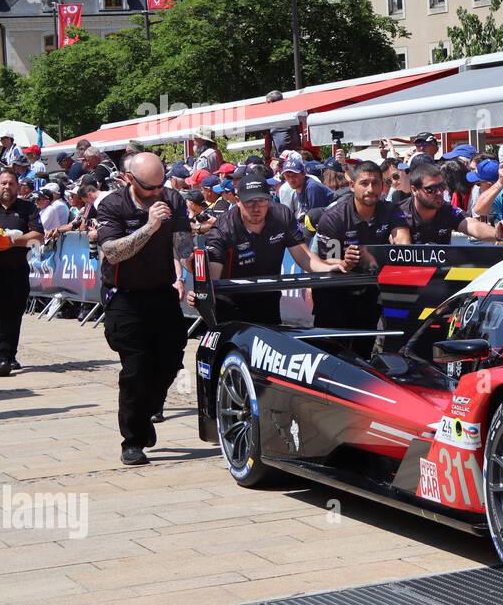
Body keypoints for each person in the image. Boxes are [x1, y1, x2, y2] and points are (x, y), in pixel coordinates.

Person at [96, 153, 193, 466]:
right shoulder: (113, 205)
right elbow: (112, 253)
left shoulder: (174, 200)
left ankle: (149, 409)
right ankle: (133, 440)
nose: (156, 193)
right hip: (124, 296)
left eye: (160, 186)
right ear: (129, 180)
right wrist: (150, 226)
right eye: (149, 188)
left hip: (162, 292)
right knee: (136, 369)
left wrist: (185, 273)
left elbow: (183, 244)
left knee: (170, 358)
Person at [197, 174, 349, 325]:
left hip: (268, 297)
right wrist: (203, 293)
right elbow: (213, 274)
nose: (256, 208)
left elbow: (304, 257)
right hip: (230, 302)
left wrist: (329, 266)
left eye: (262, 201)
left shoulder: (282, 215)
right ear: (237, 201)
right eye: (249, 202)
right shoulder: (223, 228)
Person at [311, 160, 409, 355]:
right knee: (330, 352)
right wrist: (344, 262)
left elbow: (403, 241)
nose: (370, 189)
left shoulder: (390, 210)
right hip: (333, 292)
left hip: (369, 292)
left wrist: (397, 248)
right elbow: (325, 260)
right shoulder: (333, 217)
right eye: (364, 183)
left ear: (383, 186)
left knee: (363, 352)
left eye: (375, 183)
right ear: (352, 185)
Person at [0, 168, 43, 376]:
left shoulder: (27, 208)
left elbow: (38, 235)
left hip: (18, 269)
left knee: (15, 312)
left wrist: (13, 240)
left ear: (18, 187)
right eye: (3, 183)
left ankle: (10, 354)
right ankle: (0, 357)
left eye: (11, 183)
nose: (7, 187)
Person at [401, 160, 501, 243]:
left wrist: (498, 234)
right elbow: (401, 242)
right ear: (414, 190)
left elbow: (473, 226)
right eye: (431, 189)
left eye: (441, 187)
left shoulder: (447, 210)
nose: (439, 193)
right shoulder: (400, 212)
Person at [278, 151, 333, 221]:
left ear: (303, 174)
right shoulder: (299, 187)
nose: (291, 180)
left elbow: (317, 218)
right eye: (287, 176)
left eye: (294, 175)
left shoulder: (312, 187)